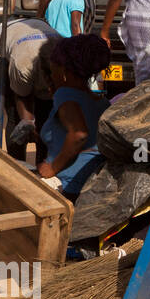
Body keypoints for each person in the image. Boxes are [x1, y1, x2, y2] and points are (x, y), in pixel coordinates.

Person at [38, 34, 112, 199]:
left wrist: (52, 168)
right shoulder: (101, 102)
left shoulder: (65, 95)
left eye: (52, 69)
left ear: (63, 70)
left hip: (67, 184)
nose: (51, 75)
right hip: (90, 181)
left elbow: (79, 134)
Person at [0, 16, 60, 162]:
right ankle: (17, 167)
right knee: (16, 115)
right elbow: (21, 96)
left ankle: (42, 167)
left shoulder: (67, 58)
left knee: (45, 115)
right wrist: (28, 122)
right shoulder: (23, 65)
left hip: (32, 32)